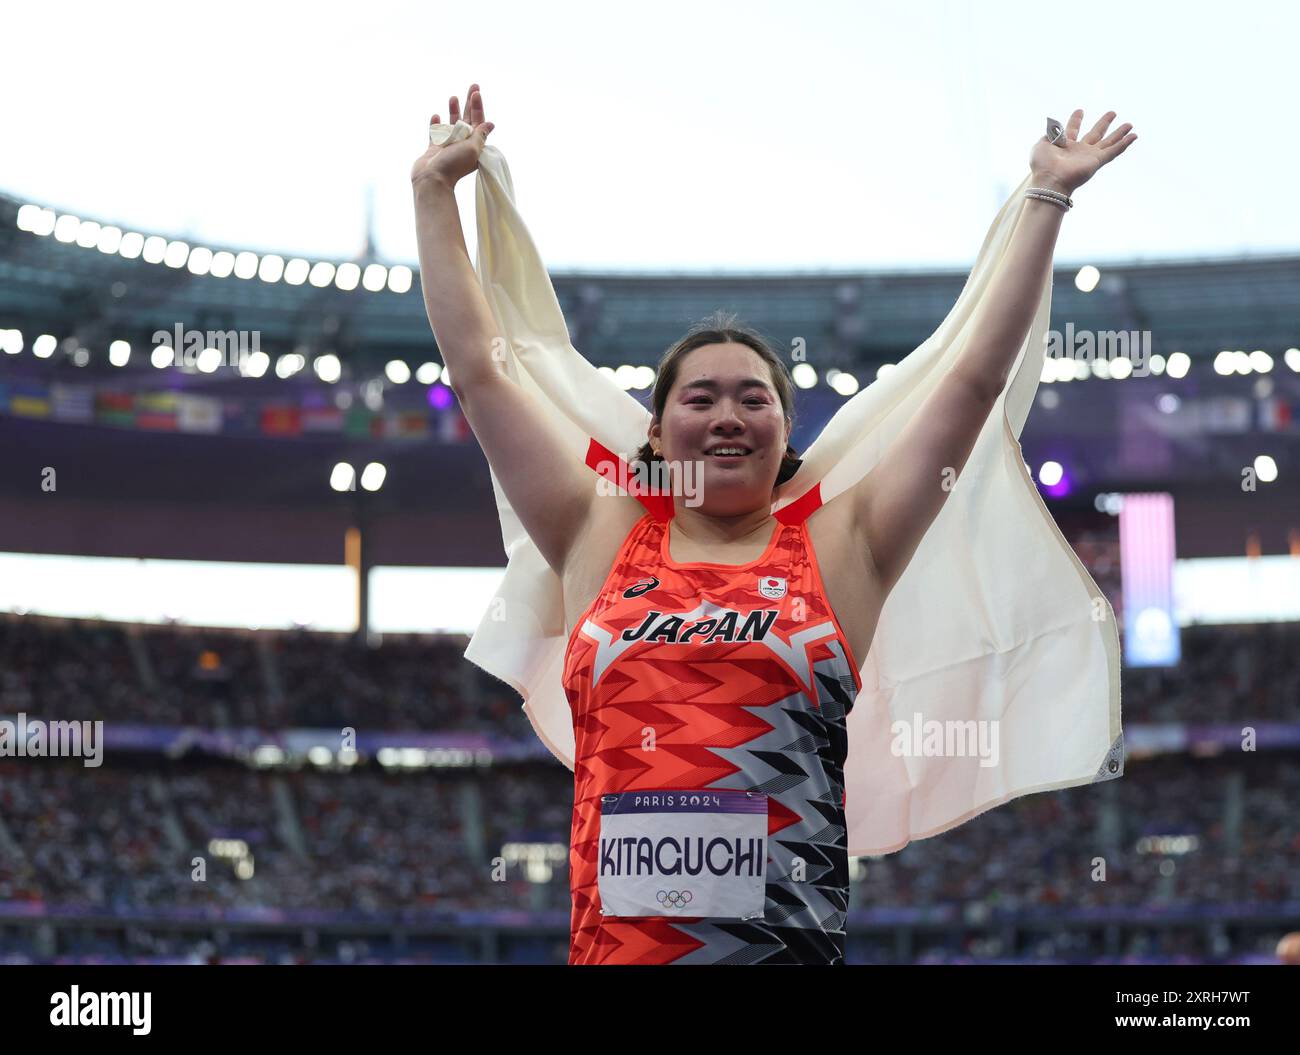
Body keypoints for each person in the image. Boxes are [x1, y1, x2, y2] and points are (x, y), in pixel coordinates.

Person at [412, 84, 1136, 964]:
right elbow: (484, 376)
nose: (727, 415)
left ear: (786, 433)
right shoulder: (594, 535)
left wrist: (1046, 197)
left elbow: (972, 384)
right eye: (699, 397)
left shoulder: (846, 547)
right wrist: (431, 194)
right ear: (656, 430)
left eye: (754, 398)